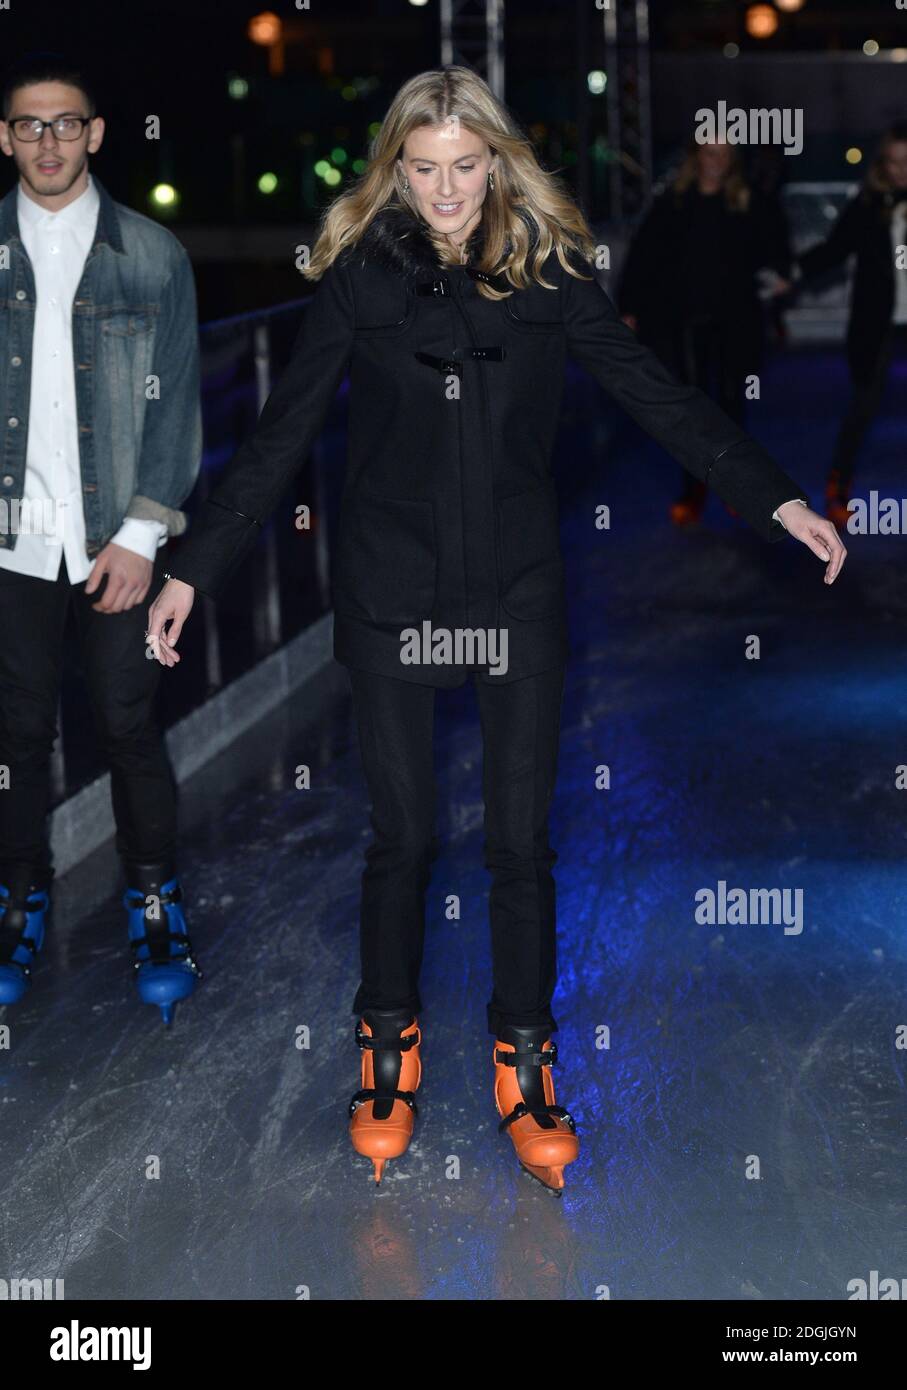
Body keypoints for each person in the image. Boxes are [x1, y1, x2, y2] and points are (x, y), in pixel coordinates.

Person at [146, 66, 845, 1192]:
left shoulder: (549, 275)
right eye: (421, 171)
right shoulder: (361, 279)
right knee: (406, 838)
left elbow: (657, 391)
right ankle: (388, 1044)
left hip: (517, 590)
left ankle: (525, 1058)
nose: (445, 192)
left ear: (499, 162)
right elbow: (276, 441)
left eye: (465, 167)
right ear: (394, 171)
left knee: (521, 843)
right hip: (392, 589)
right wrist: (192, 569)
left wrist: (773, 495)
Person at [0, 52, 203, 1026]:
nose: (47, 141)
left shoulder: (151, 255)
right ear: (5, 138)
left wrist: (136, 534)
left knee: (128, 731)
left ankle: (155, 902)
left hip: (115, 544)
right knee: (14, 737)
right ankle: (17, 900)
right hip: (9, 547)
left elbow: (178, 410)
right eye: (29, 125)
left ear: (95, 134)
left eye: (64, 123)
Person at [618, 138, 792, 527]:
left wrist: (781, 275)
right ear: (696, 156)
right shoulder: (673, 204)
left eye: (724, 154)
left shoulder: (747, 201)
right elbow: (644, 256)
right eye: (709, 152)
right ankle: (693, 487)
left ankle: (737, 487)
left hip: (736, 320)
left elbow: (775, 245)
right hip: (684, 321)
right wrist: (629, 306)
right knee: (692, 410)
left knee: (732, 404)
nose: (716, 161)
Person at [782, 121, 907, 527]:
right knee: (863, 407)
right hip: (879, 321)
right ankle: (838, 489)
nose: (901, 170)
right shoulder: (869, 205)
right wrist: (794, 271)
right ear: (882, 164)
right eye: (893, 162)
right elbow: (835, 248)